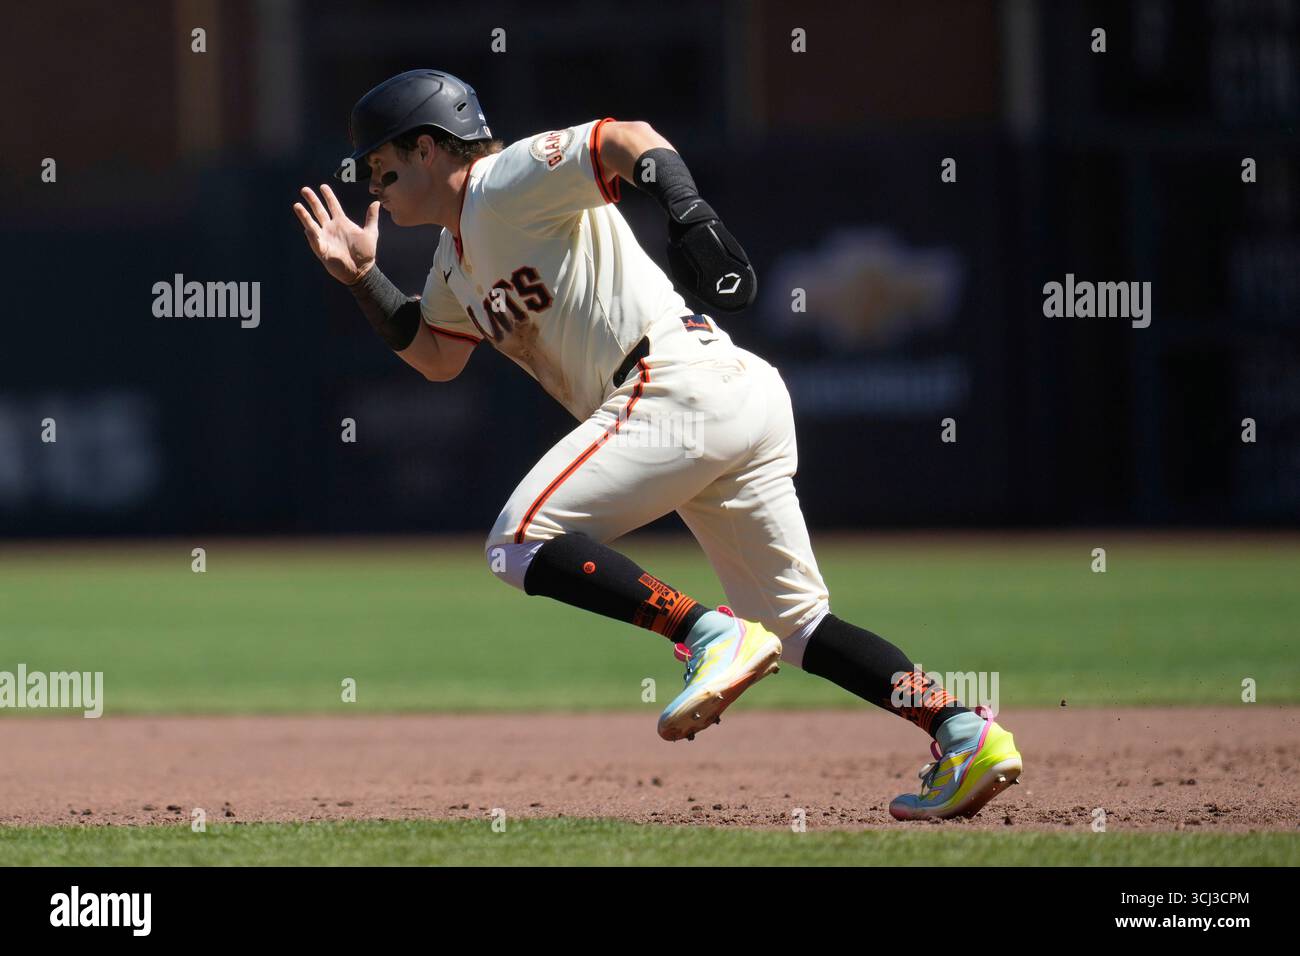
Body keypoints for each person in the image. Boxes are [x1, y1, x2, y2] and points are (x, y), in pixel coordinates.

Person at [292, 69, 1023, 820]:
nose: (373, 190)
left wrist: (688, 210)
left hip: (673, 383)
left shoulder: (504, 178)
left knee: (516, 540)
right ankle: (961, 729)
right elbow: (436, 355)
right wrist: (363, 278)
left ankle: (707, 632)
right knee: (798, 629)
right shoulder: (452, 260)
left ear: (428, 146)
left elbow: (624, 140)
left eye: (381, 168)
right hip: (728, 397)